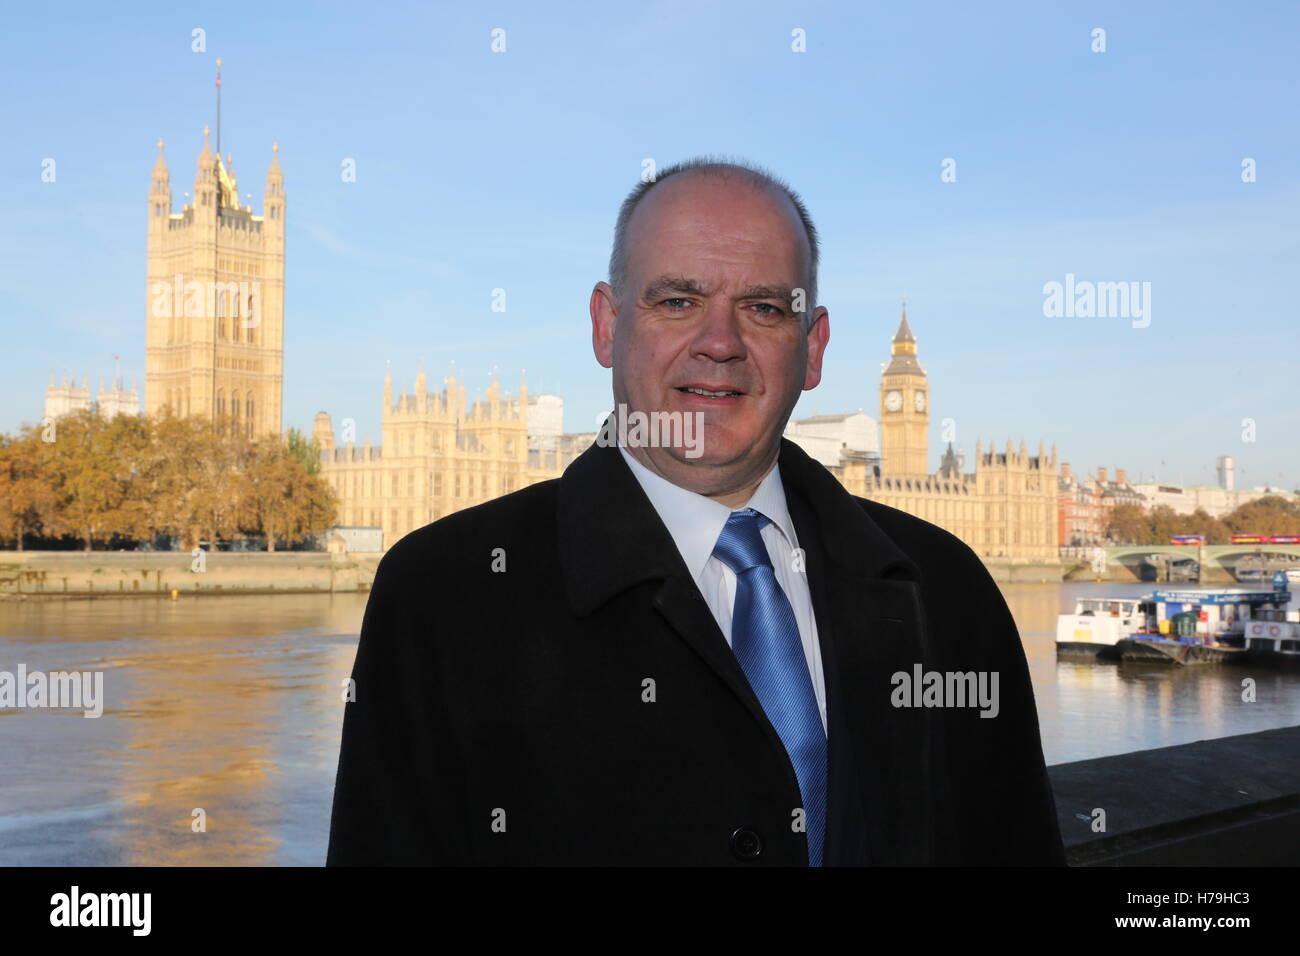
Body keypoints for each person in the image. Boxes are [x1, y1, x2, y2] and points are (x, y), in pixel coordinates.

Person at [326, 158, 1065, 866]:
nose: (720, 344)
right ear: (606, 327)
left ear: (812, 350)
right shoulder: (443, 598)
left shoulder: (945, 589)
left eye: (764, 308)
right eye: (677, 301)